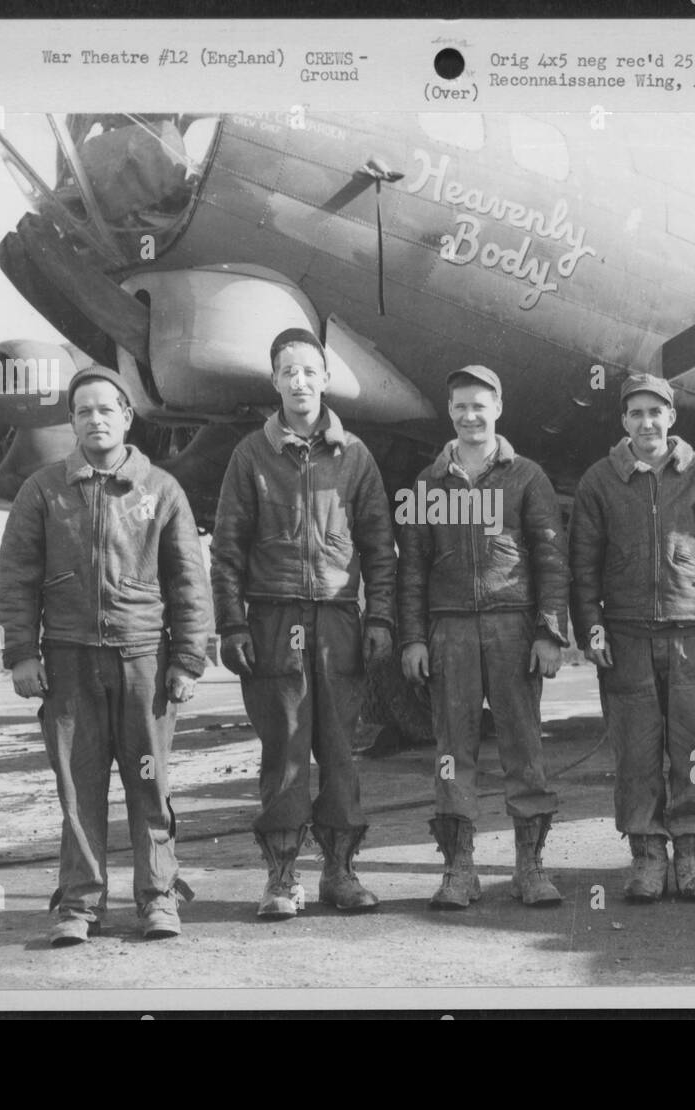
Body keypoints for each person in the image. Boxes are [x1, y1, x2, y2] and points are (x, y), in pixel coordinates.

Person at [0, 365, 212, 947]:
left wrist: (188, 659)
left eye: (105, 409)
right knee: (78, 791)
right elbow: (16, 578)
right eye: (83, 410)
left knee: (150, 784)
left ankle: (158, 899)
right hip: (68, 664)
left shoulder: (162, 490)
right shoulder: (42, 491)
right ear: (71, 421)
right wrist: (22, 654)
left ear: (126, 416)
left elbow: (189, 581)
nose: (95, 419)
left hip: (145, 662)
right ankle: (79, 907)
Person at [209, 328, 396, 919]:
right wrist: (232, 626)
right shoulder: (250, 456)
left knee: (341, 751)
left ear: (325, 377)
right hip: (274, 621)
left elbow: (380, 547)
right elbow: (228, 551)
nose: (299, 381)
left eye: (309, 370)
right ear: (274, 381)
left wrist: (381, 617)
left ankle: (340, 873)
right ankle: (283, 878)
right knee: (284, 753)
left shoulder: (356, 456)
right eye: (287, 371)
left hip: (340, 621)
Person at [569, 373, 695, 903]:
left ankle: (694, 856)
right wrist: (590, 626)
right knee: (637, 752)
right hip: (625, 637)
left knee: (692, 747)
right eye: (636, 413)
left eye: (656, 412)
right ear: (623, 421)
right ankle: (647, 856)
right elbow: (583, 565)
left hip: (692, 636)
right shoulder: (600, 481)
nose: (646, 422)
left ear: (671, 418)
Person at [398, 365, 570, 909]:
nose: (470, 416)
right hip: (448, 630)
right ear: (449, 412)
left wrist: (549, 631)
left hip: (513, 626)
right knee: (453, 751)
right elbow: (413, 569)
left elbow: (550, 557)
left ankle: (530, 866)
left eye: (480, 406)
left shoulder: (527, 477)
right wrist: (413, 639)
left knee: (524, 747)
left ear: (498, 408)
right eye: (460, 407)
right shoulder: (428, 483)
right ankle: (459, 869)